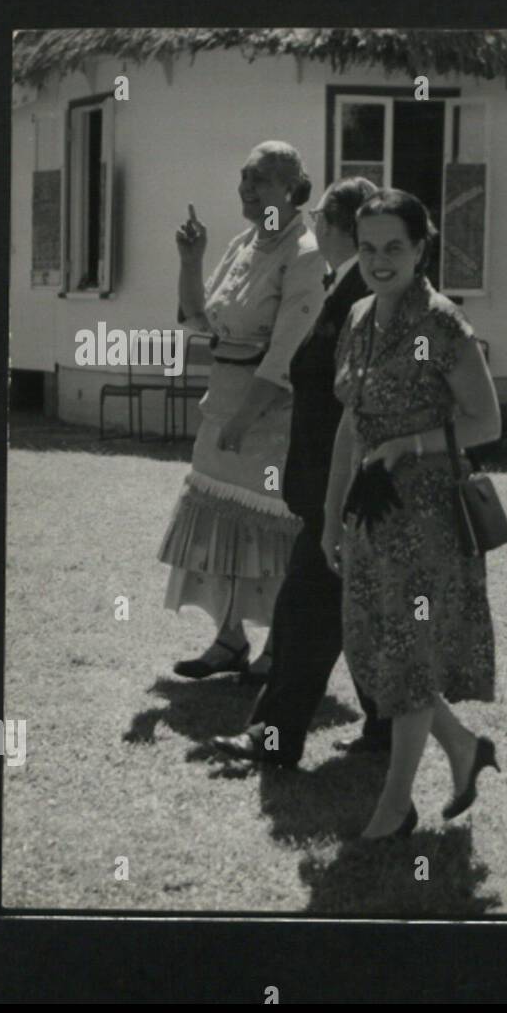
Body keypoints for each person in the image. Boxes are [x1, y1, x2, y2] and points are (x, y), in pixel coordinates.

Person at [324, 189, 502, 840]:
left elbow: (487, 421)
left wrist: (411, 443)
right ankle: (462, 747)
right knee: (374, 648)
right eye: (368, 247)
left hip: (428, 513)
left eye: (394, 246)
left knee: (407, 653)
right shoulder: (358, 317)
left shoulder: (444, 323)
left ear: (421, 249)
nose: (379, 259)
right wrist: (328, 517)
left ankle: (394, 807)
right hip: (373, 511)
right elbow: (350, 425)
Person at [211, 177, 390, 768]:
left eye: (320, 217)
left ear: (334, 225)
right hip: (338, 487)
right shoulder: (343, 286)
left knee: (303, 616)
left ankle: (274, 735)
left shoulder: (363, 294)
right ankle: (386, 731)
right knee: (356, 613)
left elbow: (352, 401)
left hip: (341, 489)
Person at [159, 141, 326, 683]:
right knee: (221, 526)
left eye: (260, 179)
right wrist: (191, 260)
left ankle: (278, 649)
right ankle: (228, 639)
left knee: (273, 530)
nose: (246, 189)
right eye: (243, 179)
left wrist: (242, 420)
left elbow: (284, 354)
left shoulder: (304, 252)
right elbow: (199, 320)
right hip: (223, 404)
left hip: (270, 417)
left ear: (290, 188)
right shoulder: (243, 243)